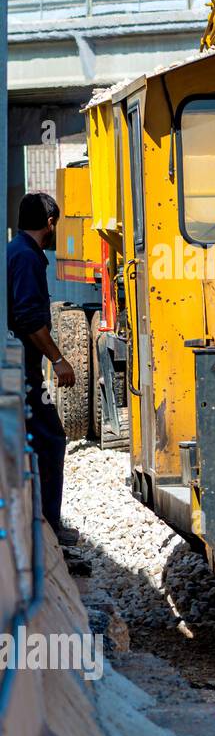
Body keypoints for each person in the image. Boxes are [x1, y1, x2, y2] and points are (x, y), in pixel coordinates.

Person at [7, 192, 78, 545]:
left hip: (20, 370)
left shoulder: (17, 251)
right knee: (51, 439)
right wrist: (59, 359)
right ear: (50, 223)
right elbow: (29, 318)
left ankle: (39, 525)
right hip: (23, 374)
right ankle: (49, 527)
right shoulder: (27, 258)